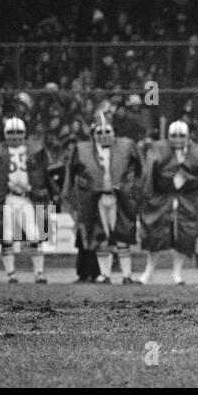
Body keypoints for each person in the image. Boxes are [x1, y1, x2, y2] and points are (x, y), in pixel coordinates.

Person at [69, 115, 143, 284]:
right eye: (99, 132)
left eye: (107, 131)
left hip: (118, 198)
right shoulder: (85, 150)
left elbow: (139, 170)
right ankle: (105, 274)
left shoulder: (125, 147)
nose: (103, 135)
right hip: (98, 198)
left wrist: (131, 190)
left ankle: (126, 275)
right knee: (101, 236)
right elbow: (74, 176)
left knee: (122, 236)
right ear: (94, 134)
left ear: (113, 132)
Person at [139, 120, 198, 285]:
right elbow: (150, 178)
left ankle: (177, 274)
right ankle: (148, 272)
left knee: (184, 236)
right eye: (174, 135)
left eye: (181, 135)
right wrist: (149, 199)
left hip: (188, 198)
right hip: (162, 197)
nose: (177, 139)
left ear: (187, 136)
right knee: (154, 233)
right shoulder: (157, 151)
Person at [0, 116, 56, 284]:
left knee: (34, 235)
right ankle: (11, 274)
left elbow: (43, 173)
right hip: (7, 198)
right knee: (7, 236)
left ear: (24, 133)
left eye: (18, 133)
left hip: (26, 198)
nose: (15, 136)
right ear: (5, 134)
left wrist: (36, 189)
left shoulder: (34, 150)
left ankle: (39, 273)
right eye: (11, 133)